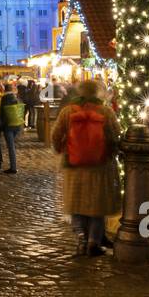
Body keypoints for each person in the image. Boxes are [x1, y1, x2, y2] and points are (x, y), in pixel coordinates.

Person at [51, 79, 121, 257]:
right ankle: (93, 242)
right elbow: (115, 134)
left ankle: (81, 239)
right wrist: (111, 154)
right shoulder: (105, 111)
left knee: (77, 204)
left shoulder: (68, 111)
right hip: (100, 166)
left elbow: (56, 134)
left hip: (73, 165)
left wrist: (61, 150)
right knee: (97, 206)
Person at [0, 82, 26, 174]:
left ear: (4, 89)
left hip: (8, 125)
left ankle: (13, 167)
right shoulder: (17, 98)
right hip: (17, 125)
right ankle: (13, 166)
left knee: (11, 147)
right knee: (12, 146)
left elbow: (1, 114)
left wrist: (0, 127)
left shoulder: (4, 99)